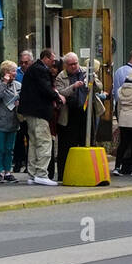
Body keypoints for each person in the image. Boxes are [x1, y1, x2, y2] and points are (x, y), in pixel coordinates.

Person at [18, 48, 61, 186]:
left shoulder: (33, 69)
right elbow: (46, 89)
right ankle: (41, 173)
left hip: (30, 112)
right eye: (52, 60)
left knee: (33, 143)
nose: (53, 63)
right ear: (46, 58)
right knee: (44, 141)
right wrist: (57, 96)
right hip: (39, 112)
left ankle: (32, 174)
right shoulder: (41, 70)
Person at [55, 52, 96, 182]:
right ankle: (64, 174)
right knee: (67, 145)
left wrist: (92, 81)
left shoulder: (86, 72)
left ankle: (87, 171)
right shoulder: (61, 77)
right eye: (71, 64)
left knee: (87, 142)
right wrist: (73, 86)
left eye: (76, 63)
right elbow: (60, 93)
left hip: (86, 112)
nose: (74, 66)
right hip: (70, 113)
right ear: (65, 65)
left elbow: (99, 87)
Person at [0, 60, 21, 183]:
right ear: (6, 72)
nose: (15, 73)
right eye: (13, 71)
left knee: (9, 149)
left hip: (12, 121)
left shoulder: (18, 85)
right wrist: (5, 83)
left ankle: (8, 171)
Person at [12, 50, 34, 173]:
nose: (24, 65)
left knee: (29, 137)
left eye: (26, 62)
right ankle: (17, 162)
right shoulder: (17, 73)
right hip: (18, 109)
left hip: (30, 110)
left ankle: (28, 163)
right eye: (22, 62)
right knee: (18, 137)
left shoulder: (33, 72)